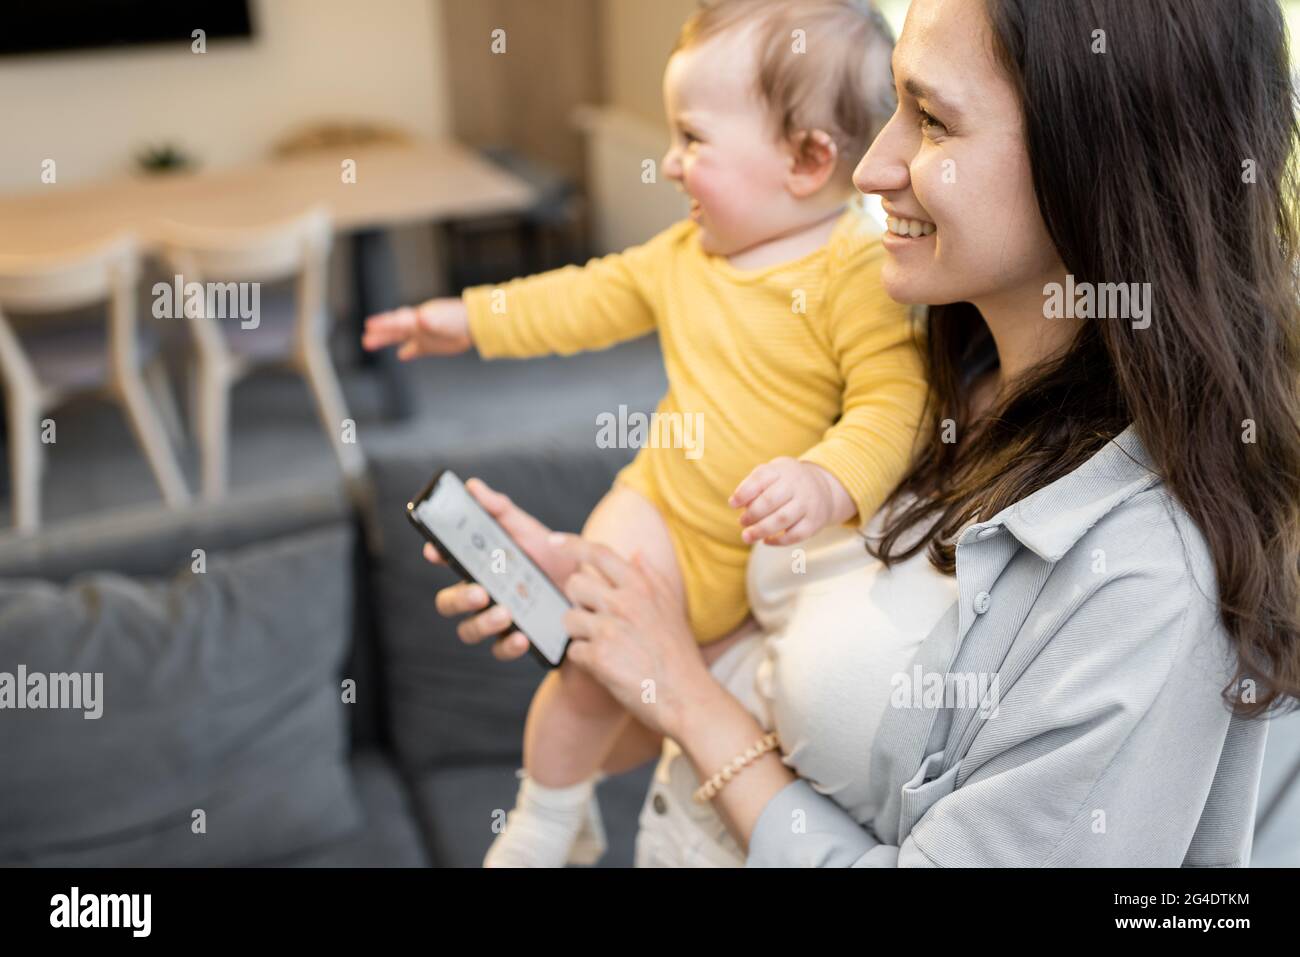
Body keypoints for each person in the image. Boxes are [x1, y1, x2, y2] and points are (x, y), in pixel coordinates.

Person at [428, 0, 1300, 866]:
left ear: (1098, 156)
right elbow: (775, 700)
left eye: (931, 119)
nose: (870, 166)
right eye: (893, 105)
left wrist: (690, 697)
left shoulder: (1146, 573)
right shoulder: (932, 385)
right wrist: (622, 612)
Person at [364, 0, 926, 866]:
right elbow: (576, 299)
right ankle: (547, 821)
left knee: (651, 696)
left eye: (693, 139)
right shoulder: (681, 257)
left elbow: (894, 404)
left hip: (757, 572)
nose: (668, 163)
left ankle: (569, 803)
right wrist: (464, 319)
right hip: (659, 509)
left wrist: (825, 480)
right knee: (586, 662)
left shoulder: (856, 271)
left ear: (809, 159)